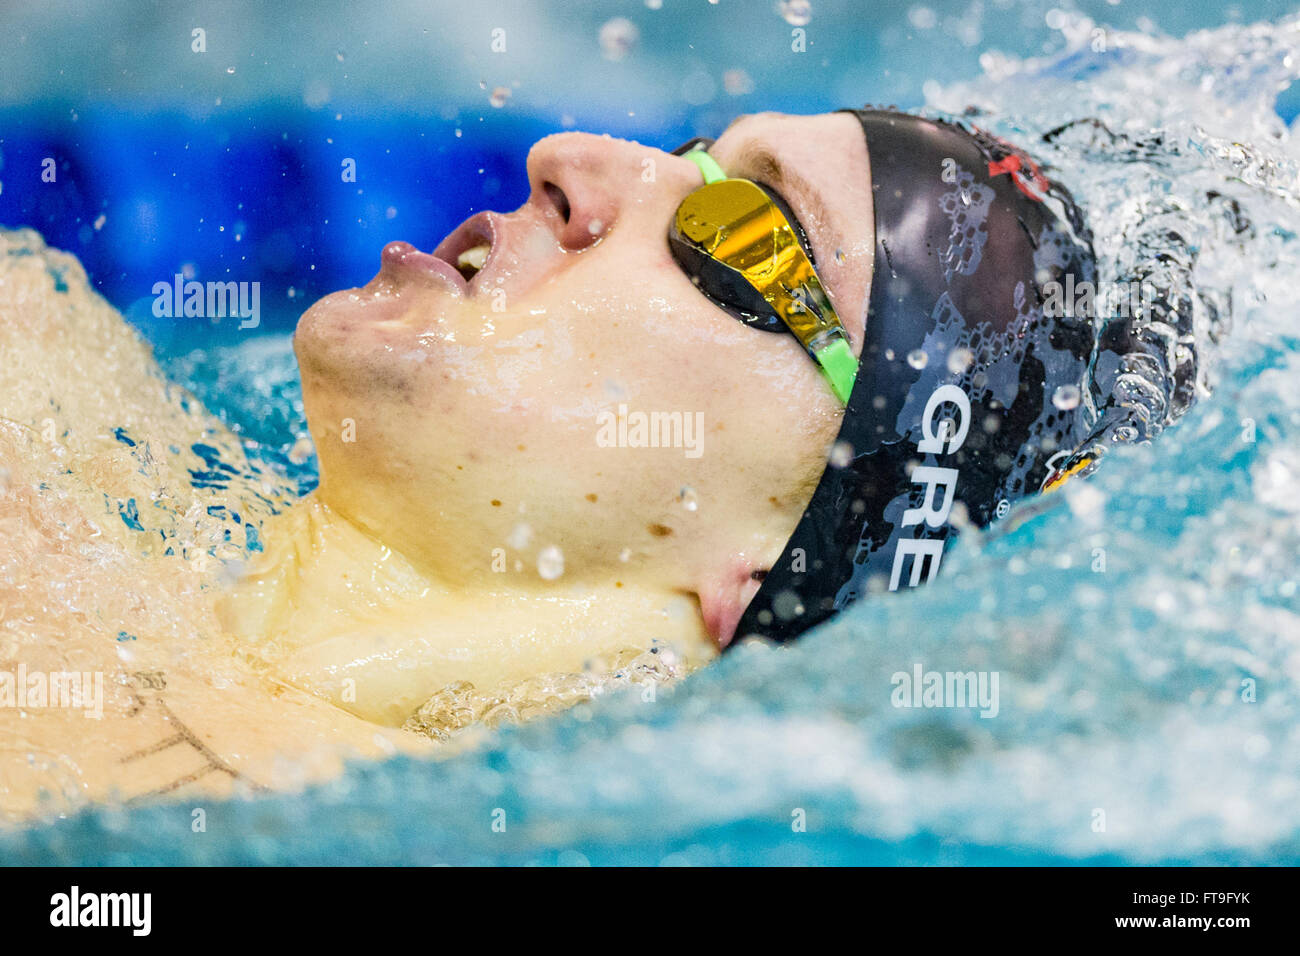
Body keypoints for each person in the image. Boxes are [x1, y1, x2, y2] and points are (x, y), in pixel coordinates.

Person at [0, 107, 1133, 817]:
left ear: (769, 571)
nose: (571, 155)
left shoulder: (218, 823)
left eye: (747, 234)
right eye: (688, 153)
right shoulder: (40, 351)